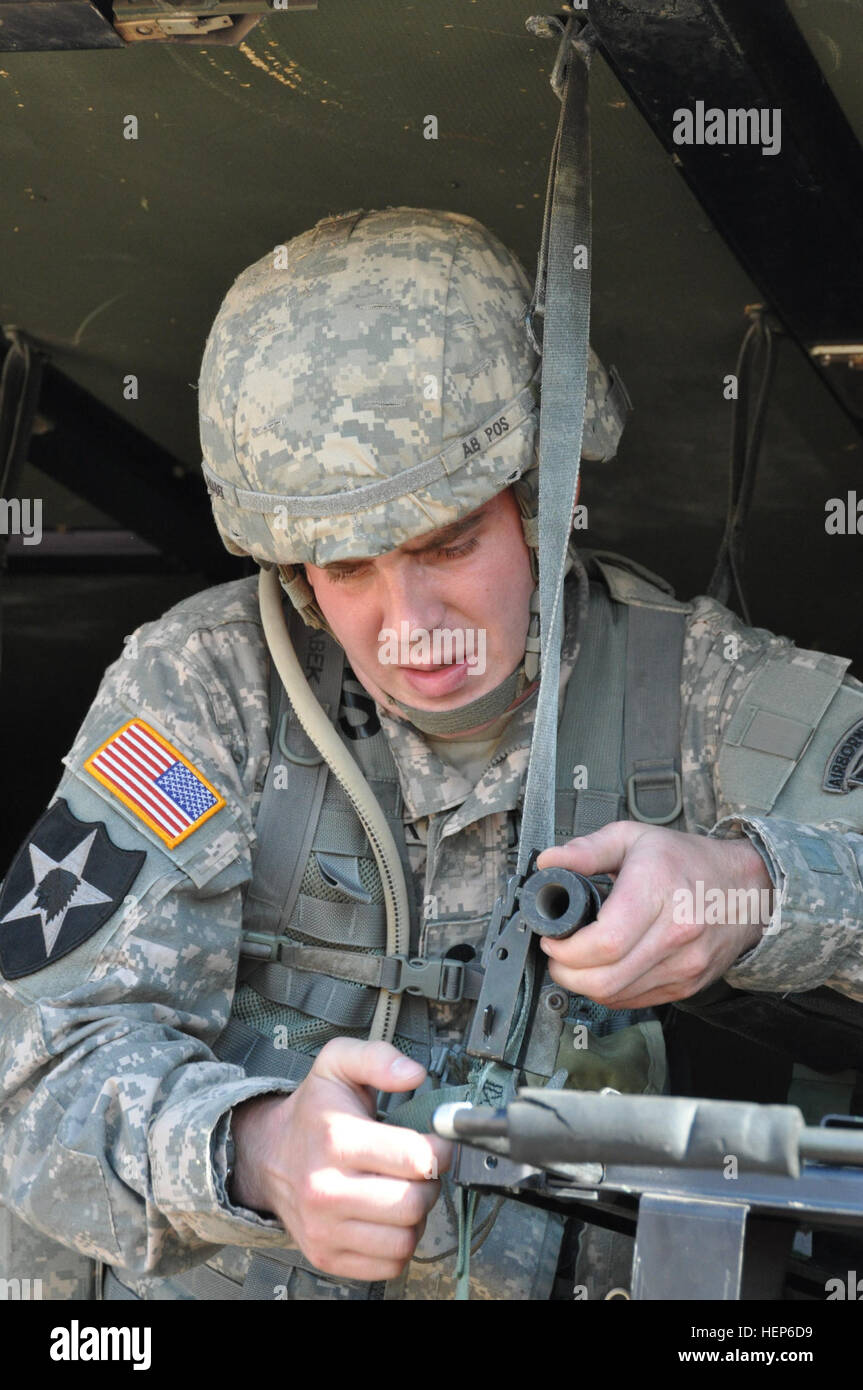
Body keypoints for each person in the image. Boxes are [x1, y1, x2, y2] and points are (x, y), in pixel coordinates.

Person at [1, 207, 862, 1302]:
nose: (408, 625)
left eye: (447, 542)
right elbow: (34, 1066)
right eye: (346, 567)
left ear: (548, 498)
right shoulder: (203, 689)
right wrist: (255, 1152)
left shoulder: (697, 691)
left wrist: (754, 889)